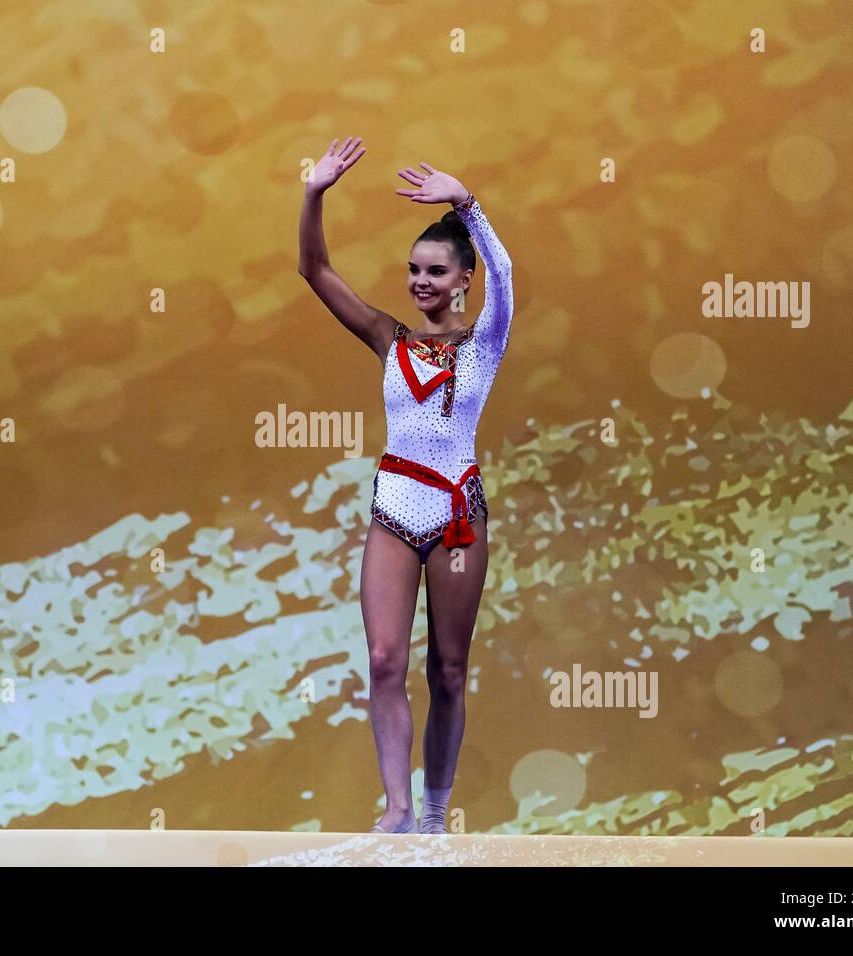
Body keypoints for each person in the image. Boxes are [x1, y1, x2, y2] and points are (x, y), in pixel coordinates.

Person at [297, 136, 515, 834]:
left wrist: (466, 203)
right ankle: (394, 809)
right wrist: (314, 193)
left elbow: (506, 271)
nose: (419, 281)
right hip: (394, 515)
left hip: (457, 519)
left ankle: (432, 811)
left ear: (462, 283)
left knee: (448, 671)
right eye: (412, 270)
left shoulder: (484, 342)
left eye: (434, 272)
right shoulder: (387, 338)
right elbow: (314, 269)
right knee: (386, 659)